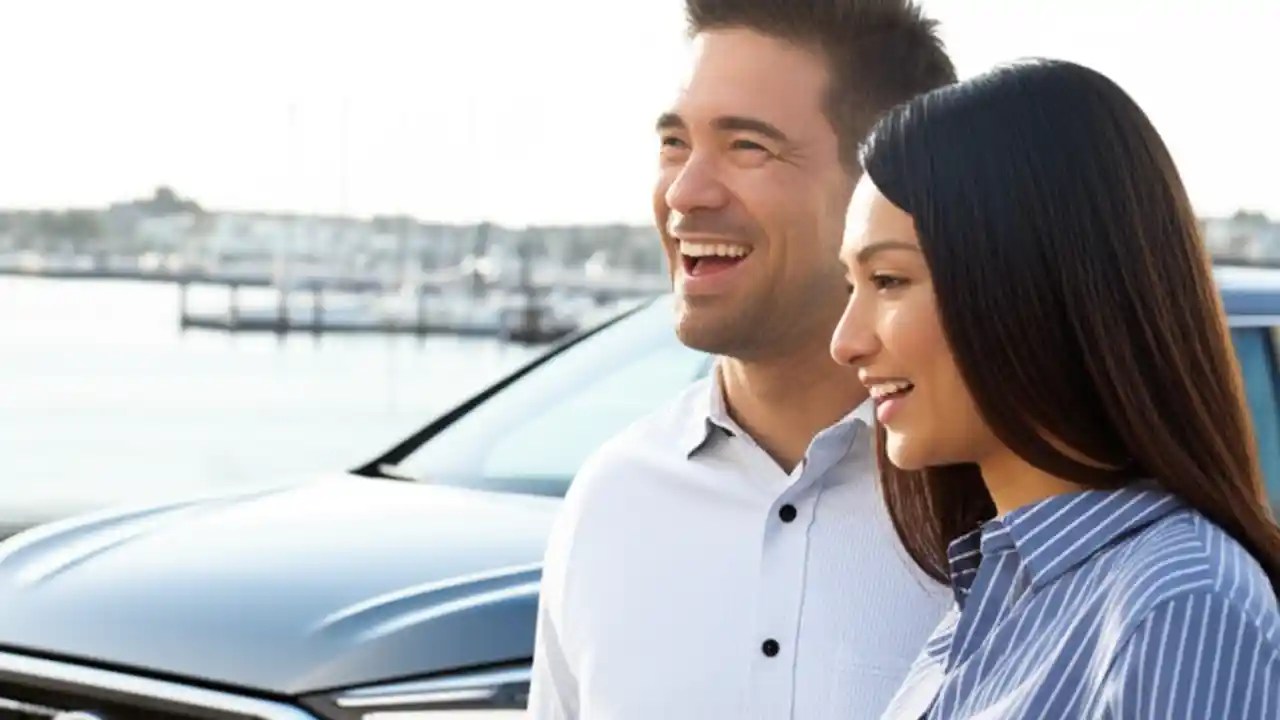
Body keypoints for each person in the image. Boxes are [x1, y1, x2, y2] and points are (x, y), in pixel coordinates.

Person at [528, 1, 957, 718]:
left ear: (885, 193)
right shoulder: (610, 500)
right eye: (673, 143)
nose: (686, 193)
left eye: (747, 147)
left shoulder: (1006, 509)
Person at [832, 57, 1280, 719]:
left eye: (889, 281)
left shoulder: (1178, 604)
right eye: (850, 286)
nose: (846, 341)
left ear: (1029, 285)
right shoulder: (997, 595)